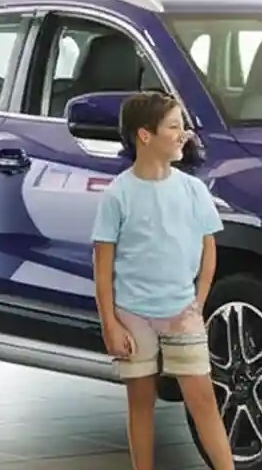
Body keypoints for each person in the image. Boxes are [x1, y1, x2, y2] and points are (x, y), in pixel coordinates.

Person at [91, 91, 235, 470]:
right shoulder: (117, 194)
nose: (183, 134)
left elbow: (209, 250)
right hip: (132, 315)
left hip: (181, 311)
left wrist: (199, 301)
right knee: (140, 400)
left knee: (202, 397)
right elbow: (102, 266)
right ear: (145, 135)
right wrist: (110, 322)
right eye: (174, 127)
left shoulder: (193, 190)